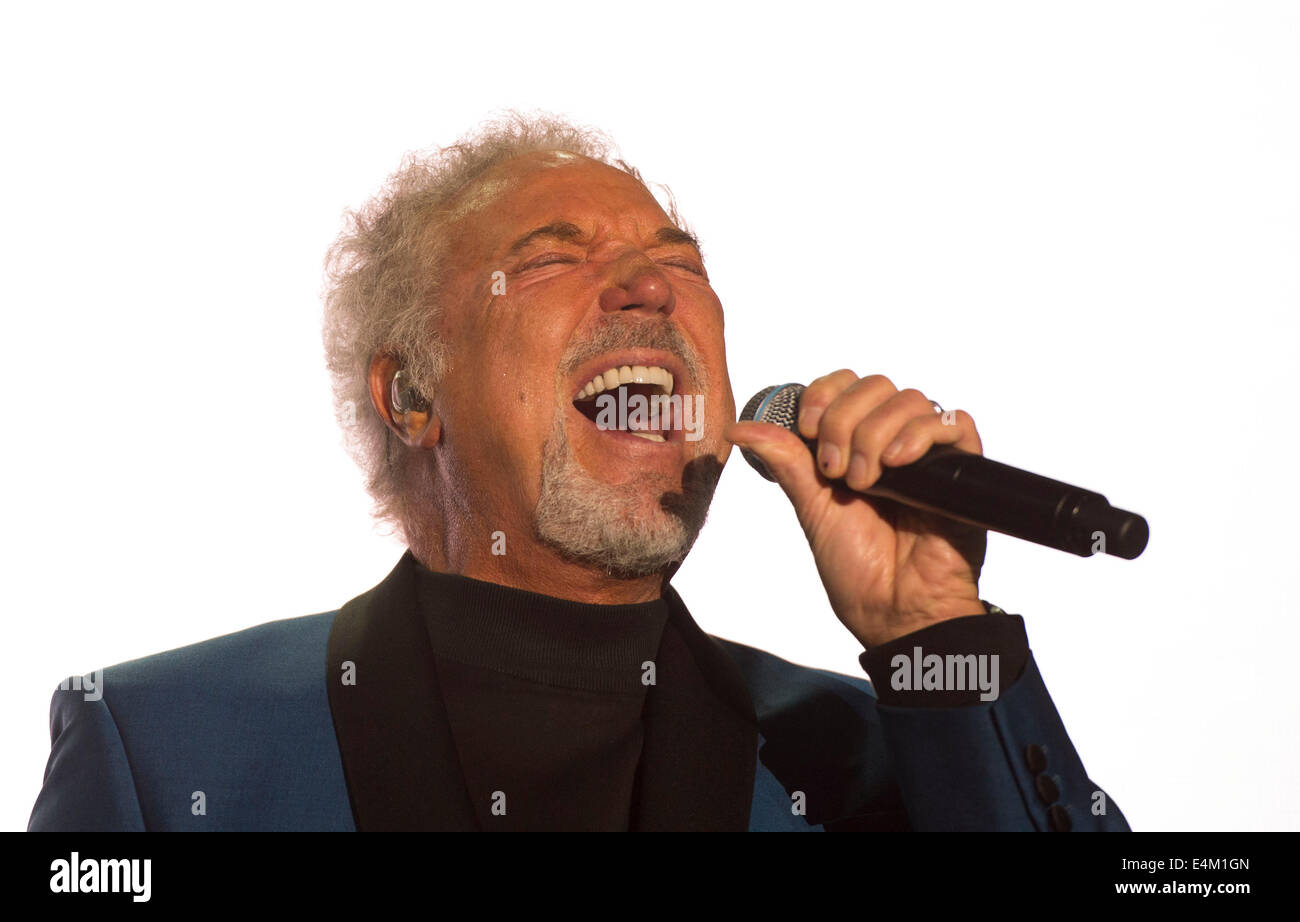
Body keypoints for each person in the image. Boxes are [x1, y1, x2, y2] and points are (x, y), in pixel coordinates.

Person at [28, 114, 1128, 831]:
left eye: (677, 266)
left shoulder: (885, 752)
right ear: (411, 395)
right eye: (553, 260)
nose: (649, 291)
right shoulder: (161, 748)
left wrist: (933, 631)